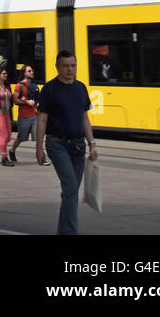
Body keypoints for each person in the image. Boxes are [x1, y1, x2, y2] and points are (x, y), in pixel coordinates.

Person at [36, 50, 98, 236]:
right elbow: (42, 120)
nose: (70, 69)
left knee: (70, 191)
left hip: (79, 145)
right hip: (57, 144)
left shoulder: (80, 88)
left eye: (73, 65)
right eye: (66, 66)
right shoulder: (50, 89)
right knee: (71, 187)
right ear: (57, 67)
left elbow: (84, 118)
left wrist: (92, 143)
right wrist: (39, 148)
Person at [11, 63, 40, 163]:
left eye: (32, 70)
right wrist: (27, 102)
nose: (32, 72)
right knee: (21, 137)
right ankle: (12, 150)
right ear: (24, 73)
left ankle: (40, 156)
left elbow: (36, 101)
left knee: (38, 136)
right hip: (23, 116)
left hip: (34, 116)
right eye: (29, 71)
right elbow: (15, 101)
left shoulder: (34, 86)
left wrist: (36, 105)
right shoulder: (19, 86)